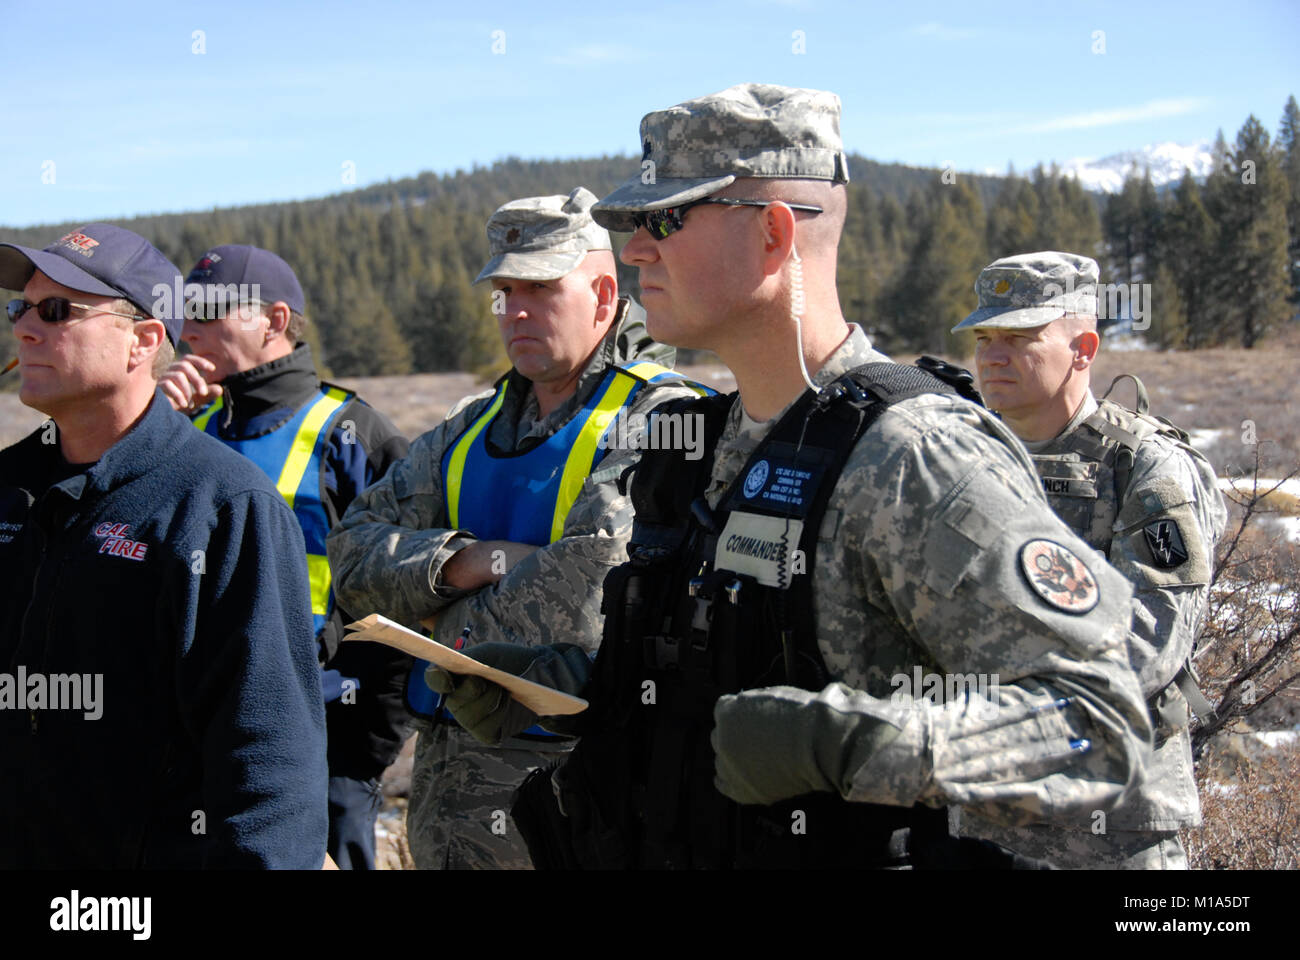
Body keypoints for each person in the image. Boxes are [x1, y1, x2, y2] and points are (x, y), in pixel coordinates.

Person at [437, 84, 1155, 870]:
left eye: (665, 219)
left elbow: (1097, 720)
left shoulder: (911, 456)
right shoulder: (697, 444)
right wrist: (573, 691)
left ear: (776, 234)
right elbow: (727, 675)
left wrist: (850, 745)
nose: (637, 249)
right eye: (634, 225)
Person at [327, 187, 710, 869]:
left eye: (540, 288)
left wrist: (424, 616)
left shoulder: (663, 417)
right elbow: (349, 557)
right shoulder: (466, 430)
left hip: (576, 803)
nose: (517, 311)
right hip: (446, 801)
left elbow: (582, 601)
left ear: (601, 293)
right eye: (504, 292)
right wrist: (466, 561)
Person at [0, 223, 327, 868]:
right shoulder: (8, 490)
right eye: (19, 309)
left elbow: (267, 761)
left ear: (144, 341)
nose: (24, 329)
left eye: (57, 311)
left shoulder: (224, 507)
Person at [950, 251, 1227, 868]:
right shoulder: (970, 461)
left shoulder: (1146, 468)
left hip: (1111, 829)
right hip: (985, 818)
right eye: (985, 336)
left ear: (1083, 348)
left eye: (1020, 336)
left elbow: (1146, 644)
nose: (992, 356)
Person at [158, 244, 413, 870]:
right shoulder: (181, 425)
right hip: (197, 733)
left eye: (210, 311)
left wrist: (361, 757)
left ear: (275, 321)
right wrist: (149, 426)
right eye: (184, 311)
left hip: (328, 741)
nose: (187, 330)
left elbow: (410, 600)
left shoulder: (352, 433)